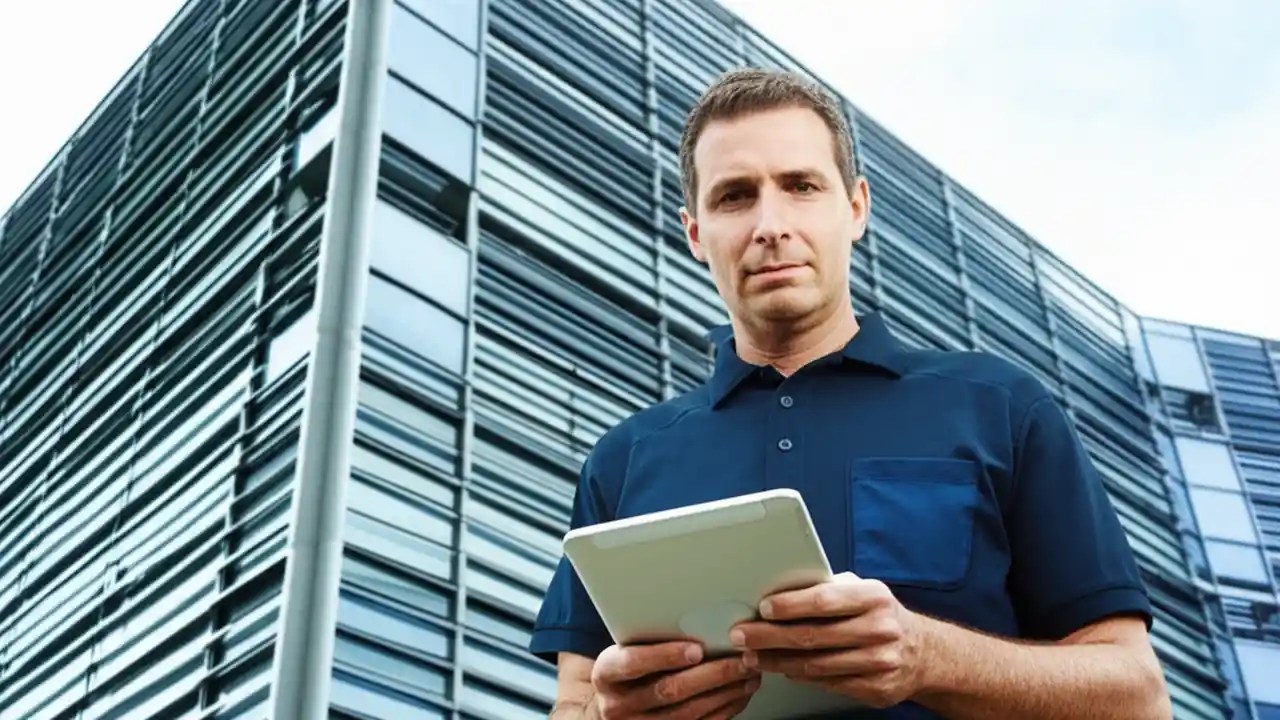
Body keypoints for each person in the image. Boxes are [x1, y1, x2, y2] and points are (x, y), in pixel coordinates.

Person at [529, 68, 1172, 719]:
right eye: (734, 197)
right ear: (696, 234)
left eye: (801, 186)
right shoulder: (623, 460)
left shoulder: (999, 407)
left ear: (856, 207)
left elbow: (1138, 696)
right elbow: (574, 703)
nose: (770, 224)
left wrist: (929, 656)